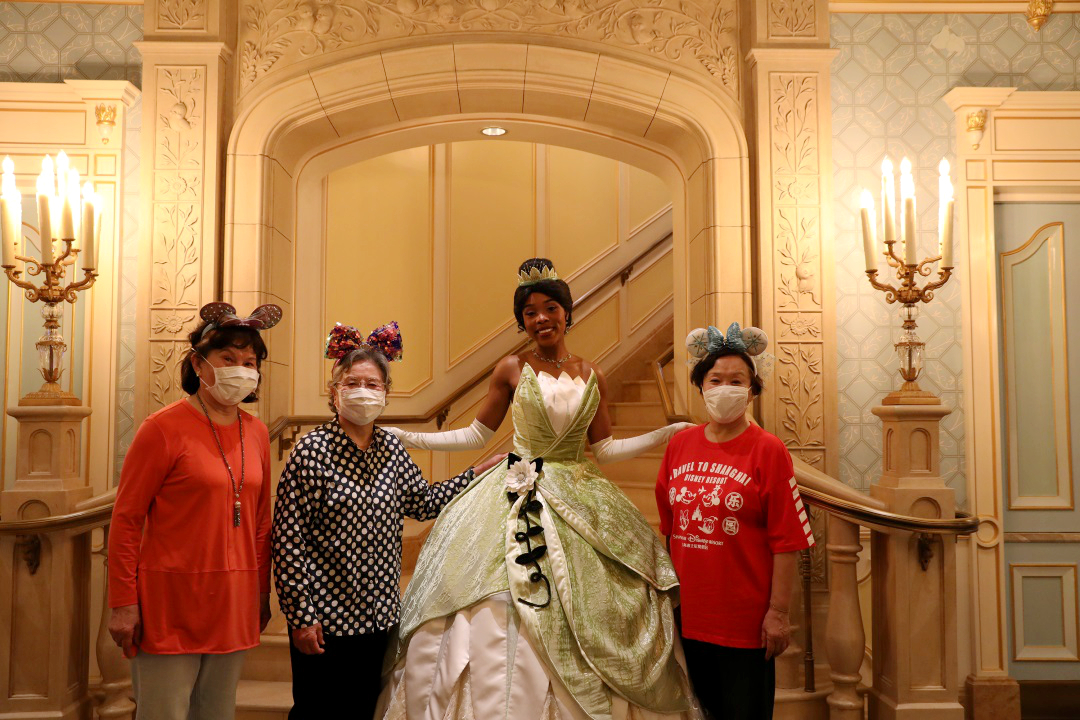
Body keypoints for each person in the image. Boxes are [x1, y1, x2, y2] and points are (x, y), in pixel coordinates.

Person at [377, 258, 697, 720]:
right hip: (515, 489)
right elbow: (473, 436)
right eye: (530, 312)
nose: (541, 318)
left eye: (550, 308)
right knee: (493, 592)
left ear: (568, 313)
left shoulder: (594, 373)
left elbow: (603, 449)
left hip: (580, 487)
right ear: (521, 321)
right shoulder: (510, 367)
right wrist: (410, 437)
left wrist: (664, 435)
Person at [272, 322, 507, 720]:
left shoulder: (392, 448)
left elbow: (422, 502)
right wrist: (301, 616)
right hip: (325, 622)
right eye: (353, 382)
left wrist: (476, 474)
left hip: (379, 617)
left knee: (364, 710)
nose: (363, 390)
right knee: (317, 713)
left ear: (386, 393)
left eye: (373, 384)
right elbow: (288, 541)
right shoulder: (312, 451)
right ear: (335, 392)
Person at [108, 302, 282, 720]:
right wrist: (122, 602)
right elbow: (127, 520)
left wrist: (261, 593)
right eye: (228, 358)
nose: (241, 368)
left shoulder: (257, 431)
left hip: (234, 600)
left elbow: (260, 522)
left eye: (249, 361)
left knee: (216, 713)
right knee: (164, 712)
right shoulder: (162, 428)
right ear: (198, 364)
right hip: (170, 600)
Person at [655, 323, 815, 720]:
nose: (725, 388)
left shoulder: (768, 450)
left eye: (736, 380)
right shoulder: (680, 445)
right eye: (716, 379)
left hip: (745, 624)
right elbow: (669, 529)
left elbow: (787, 541)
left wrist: (778, 614)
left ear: (752, 389)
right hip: (688, 617)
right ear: (701, 386)